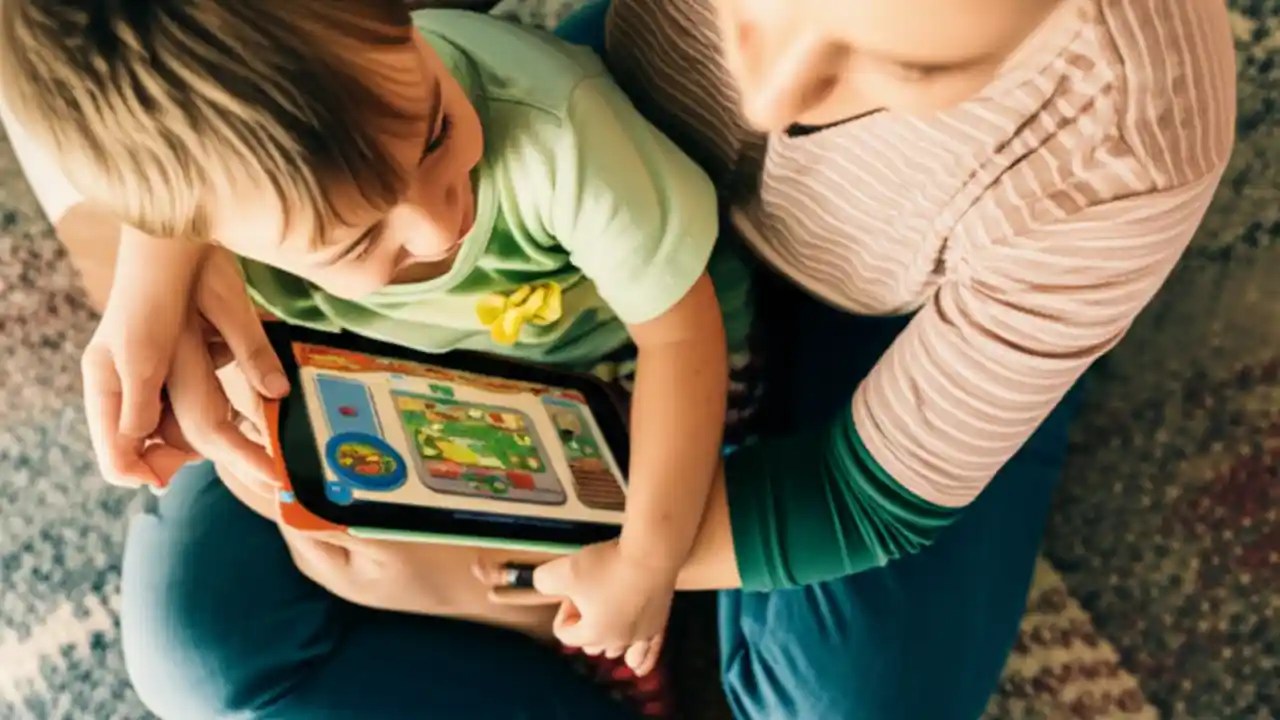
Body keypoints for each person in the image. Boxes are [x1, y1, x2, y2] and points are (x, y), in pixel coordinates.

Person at [0, 0, 1236, 718]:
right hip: (553, 254)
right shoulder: (431, 146)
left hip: (875, 323)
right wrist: (168, 240)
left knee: (850, 708)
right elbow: (146, 46)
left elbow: (861, 492)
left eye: (911, 65)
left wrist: (600, 560)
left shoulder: (1120, 144)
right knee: (199, 643)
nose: (767, 100)